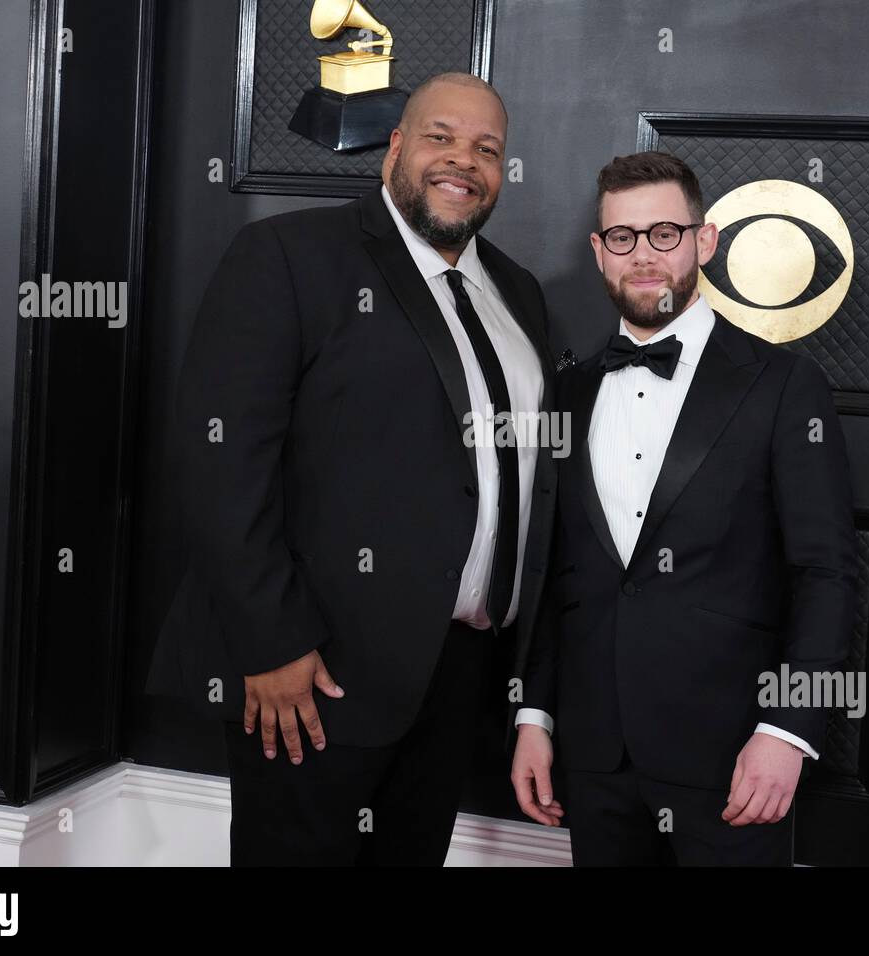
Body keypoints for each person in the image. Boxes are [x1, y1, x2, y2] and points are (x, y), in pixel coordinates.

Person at [146, 72, 557, 865]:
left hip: (457, 672)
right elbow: (222, 459)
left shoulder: (520, 292)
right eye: (440, 137)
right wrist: (270, 645)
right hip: (313, 675)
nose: (462, 161)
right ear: (394, 148)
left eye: (487, 149)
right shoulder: (288, 256)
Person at [511, 151, 858, 866]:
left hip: (735, 757)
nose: (644, 256)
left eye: (665, 234)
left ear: (706, 241)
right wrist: (535, 713)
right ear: (598, 252)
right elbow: (555, 573)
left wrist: (788, 730)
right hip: (593, 755)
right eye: (623, 238)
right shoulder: (567, 394)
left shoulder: (785, 385)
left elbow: (827, 573)